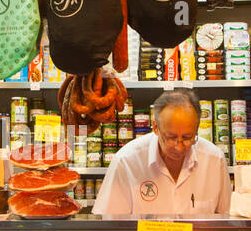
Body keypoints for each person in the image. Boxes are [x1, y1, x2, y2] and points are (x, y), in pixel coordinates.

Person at [92, 89, 232, 217]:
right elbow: (111, 226)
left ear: (197, 129)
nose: (179, 147)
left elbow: (226, 220)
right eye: (171, 138)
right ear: (156, 128)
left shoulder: (214, 159)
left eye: (187, 138)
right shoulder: (126, 161)